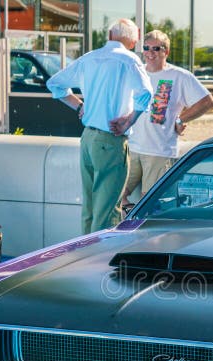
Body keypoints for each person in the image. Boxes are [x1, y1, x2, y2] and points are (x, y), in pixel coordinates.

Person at [46, 18, 153, 234]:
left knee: (90, 208)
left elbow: (54, 84)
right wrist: (129, 120)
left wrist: (79, 106)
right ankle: (99, 264)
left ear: (110, 36)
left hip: (88, 139)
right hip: (110, 140)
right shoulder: (129, 60)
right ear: (132, 41)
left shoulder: (89, 58)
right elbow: (146, 94)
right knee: (106, 212)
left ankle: (83, 259)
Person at [118, 30, 213, 215]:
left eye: (156, 48)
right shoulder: (136, 73)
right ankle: (128, 223)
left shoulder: (179, 76)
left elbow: (207, 101)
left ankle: (147, 241)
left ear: (166, 51)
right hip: (131, 147)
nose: (150, 52)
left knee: (150, 205)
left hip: (159, 151)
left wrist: (181, 119)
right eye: (146, 48)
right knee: (117, 195)